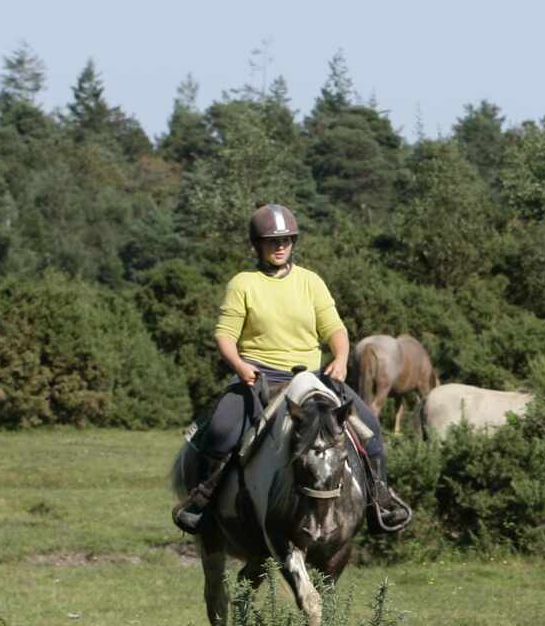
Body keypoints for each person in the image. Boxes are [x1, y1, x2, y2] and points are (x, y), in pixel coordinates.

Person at [172, 204, 413, 534]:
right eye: (273, 241)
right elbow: (225, 334)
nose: (280, 246)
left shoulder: (310, 281)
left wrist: (341, 359)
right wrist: (240, 366)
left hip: (311, 377)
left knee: (369, 426)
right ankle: (204, 503)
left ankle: (379, 500)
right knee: (221, 429)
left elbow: (335, 329)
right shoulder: (243, 283)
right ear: (258, 245)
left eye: (286, 240)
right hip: (259, 374)